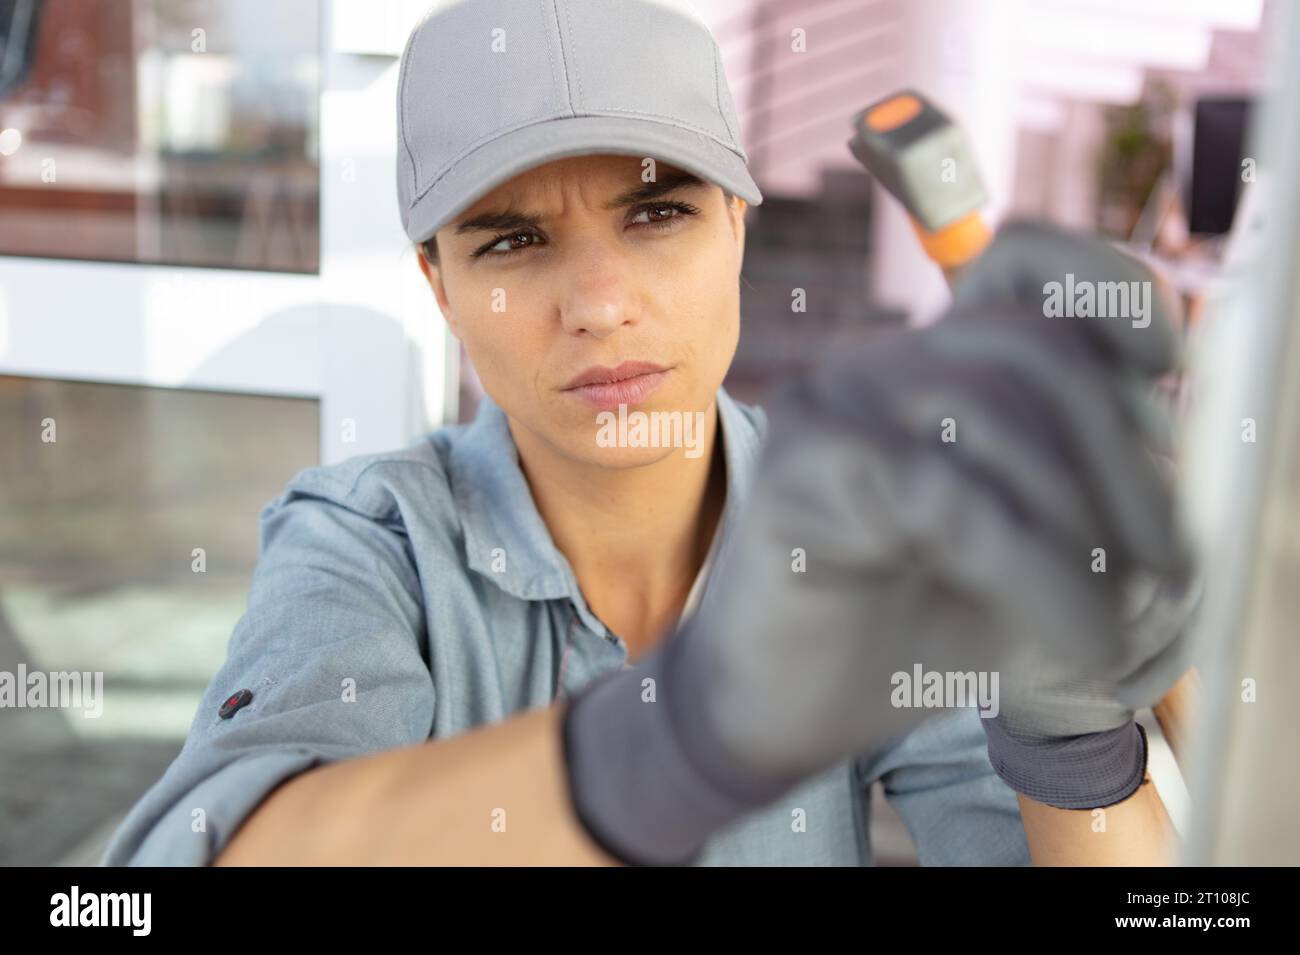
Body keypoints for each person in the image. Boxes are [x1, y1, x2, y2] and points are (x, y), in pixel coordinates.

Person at [102, 0, 1189, 867]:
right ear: (439, 285)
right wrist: (677, 740)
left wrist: (1073, 743)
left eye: (657, 211)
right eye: (514, 239)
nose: (599, 301)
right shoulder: (368, 542)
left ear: (736, 228)